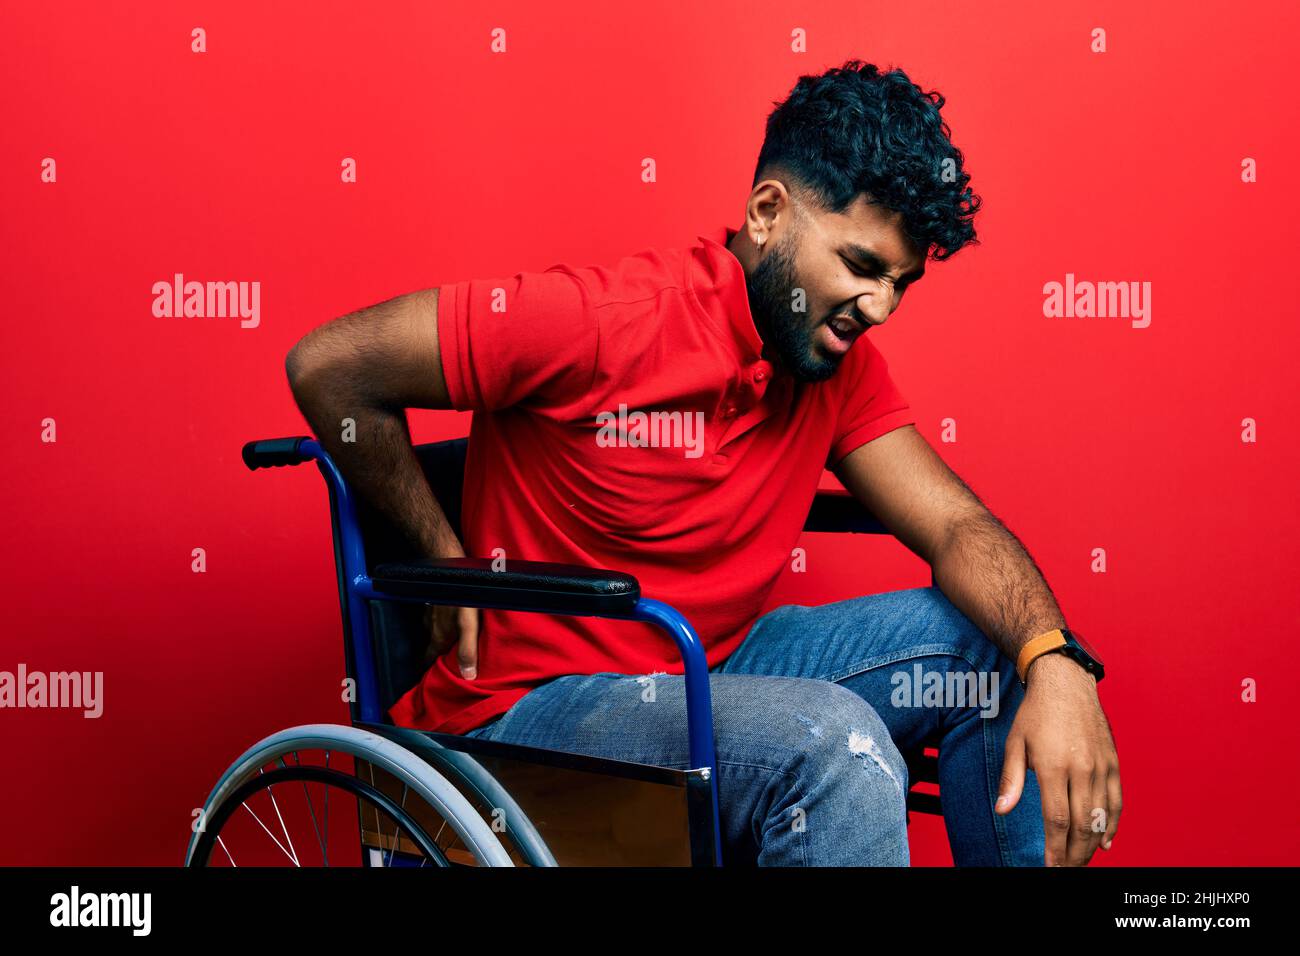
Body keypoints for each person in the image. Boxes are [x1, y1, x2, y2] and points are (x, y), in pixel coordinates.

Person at [285, 58, 1121, 866]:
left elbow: (955, 523)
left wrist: (1058, 660)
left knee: (999, 641)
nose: (881, 307)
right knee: (834, 743)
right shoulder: (597, 320)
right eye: (861, 267)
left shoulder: (835, 364)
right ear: (768, 211)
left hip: (713, 672)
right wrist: (439, 553)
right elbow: (329, 367)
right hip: (533, 715)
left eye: (900, 283)